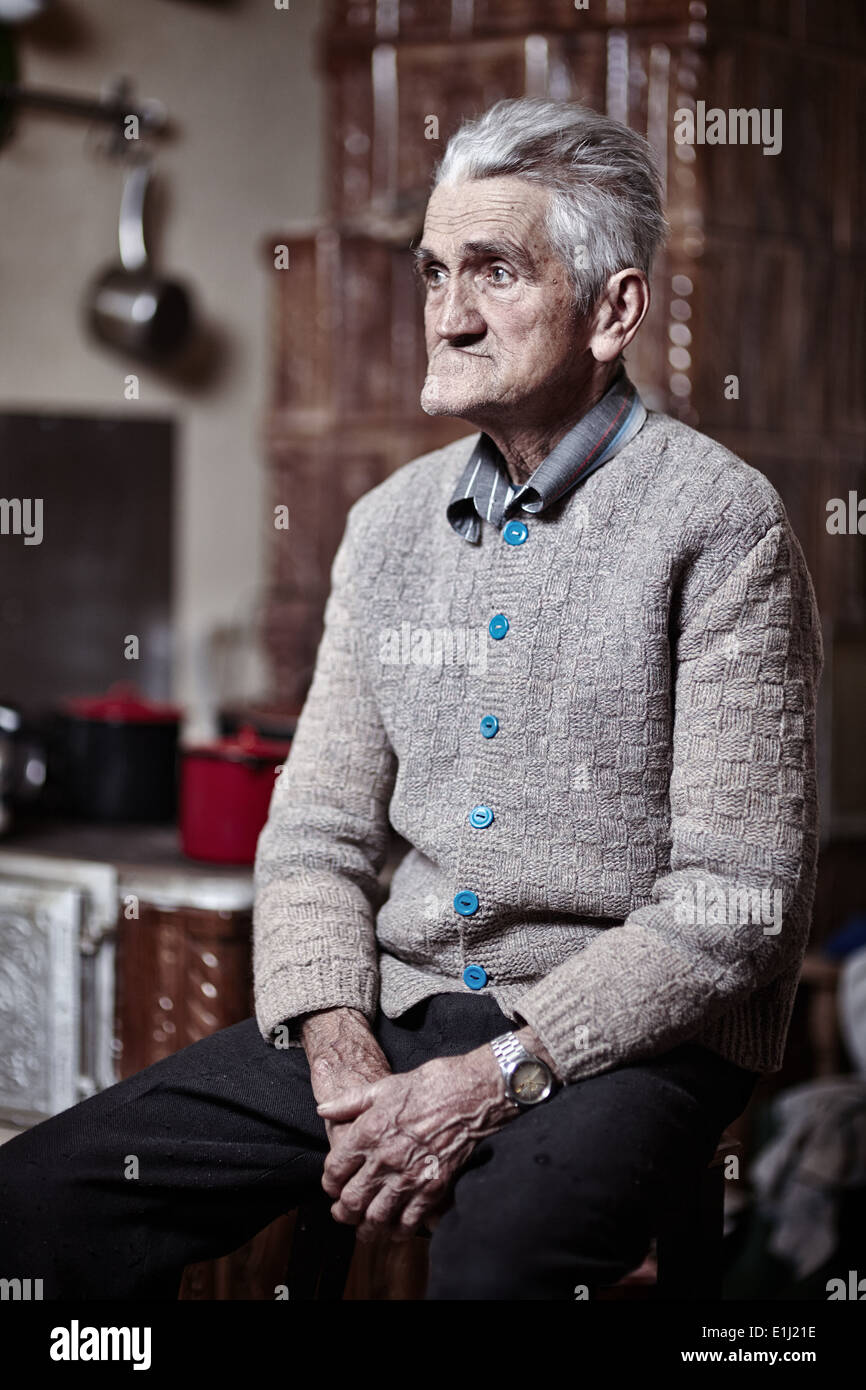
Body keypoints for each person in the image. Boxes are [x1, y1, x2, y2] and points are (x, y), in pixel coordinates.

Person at [0, 98, 823, 1300]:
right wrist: (338, 1049)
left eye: (493, 272)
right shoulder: (386, 527)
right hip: (395, 1010)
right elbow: (315, 839)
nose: (445, 314)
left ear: (612, 311)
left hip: (631, 1038)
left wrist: (494, 1075)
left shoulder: (719, 523)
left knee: (500, 1265)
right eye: (434, 271)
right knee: (37, 1207)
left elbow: (734, 900)